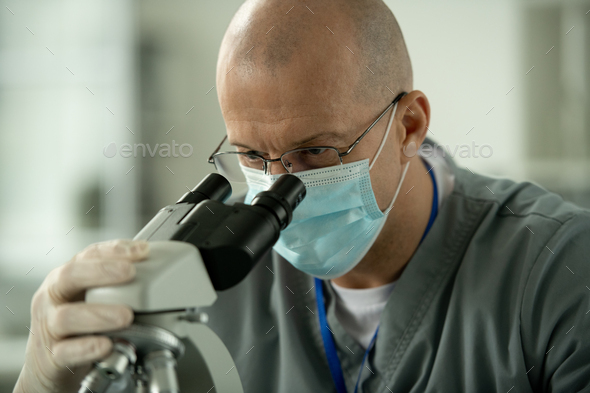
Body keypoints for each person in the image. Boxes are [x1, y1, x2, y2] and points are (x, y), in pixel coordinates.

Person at [13, 0, 590, 392]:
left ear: (409, 127)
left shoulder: (558, 272)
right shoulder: (209, 281)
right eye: (253, 157)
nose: (277, 188)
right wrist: (41, 378)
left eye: (314, 154)